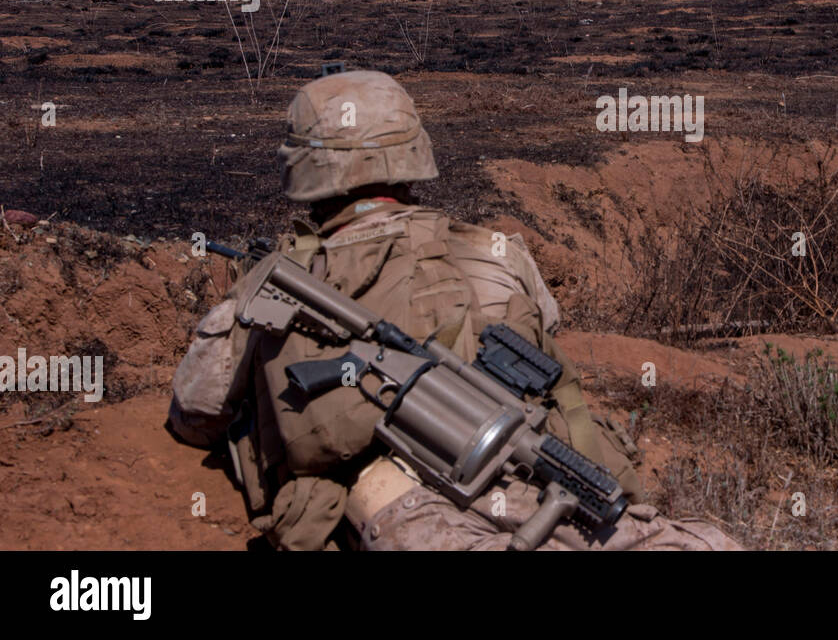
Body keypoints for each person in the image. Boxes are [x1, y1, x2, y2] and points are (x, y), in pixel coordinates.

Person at [168, 69, 738, 551]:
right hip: (540, 473)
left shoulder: (284, 283)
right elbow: (546, 346)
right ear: (414, 152)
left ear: (307, 168)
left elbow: (197, 413)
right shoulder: (499, 253)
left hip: (407, 504)